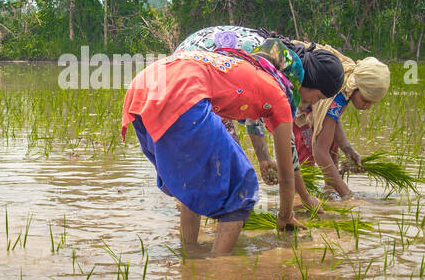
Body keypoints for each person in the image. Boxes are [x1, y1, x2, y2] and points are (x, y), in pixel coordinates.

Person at [121, 47, 302, 255]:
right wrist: (285, 217)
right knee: (241, 188)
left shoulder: (242, 68)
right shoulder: (278, 94)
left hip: (141, 88)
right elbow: (287, 176)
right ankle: (218, 270)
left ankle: (190, 257)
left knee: (193, 183)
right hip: (180, 94)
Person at [175, 25, 344, 185]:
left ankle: (192, 206)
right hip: (191, 76)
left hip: (186, 68)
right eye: (318, 96)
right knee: (231, 166)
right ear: (311, 80)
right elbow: (287, 146)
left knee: (223, 164)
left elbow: (253, 110)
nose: (315, 102)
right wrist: (303, 195)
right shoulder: (283, 68)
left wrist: (264, 158)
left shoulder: (280, 56)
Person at [295, 47, 391, 200]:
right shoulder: (340, 94)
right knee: (306, 158)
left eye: (372, 103)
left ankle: (330, 191)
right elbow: (320, 153)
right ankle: (299, 198)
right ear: (355, 87)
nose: (367, 107)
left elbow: (331, 121)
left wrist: (347, 149)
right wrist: (348, 196)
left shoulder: (346, 86)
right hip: (297, 109)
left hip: (308, 105)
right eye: (365, 100)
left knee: (332, 147)